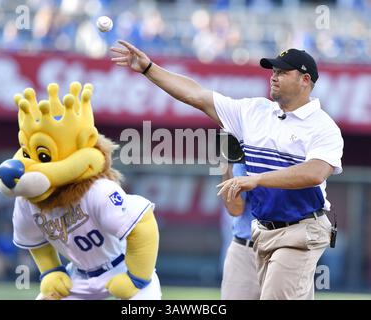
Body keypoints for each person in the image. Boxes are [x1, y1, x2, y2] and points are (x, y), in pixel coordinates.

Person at [110, 42, 344, 299]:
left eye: (282, 72)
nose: (274, 77)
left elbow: (315, 173)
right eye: (273, 71)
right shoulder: (254, 111)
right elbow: (196, 95)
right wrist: (149, 69)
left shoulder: (323, 126)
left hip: (301, 229)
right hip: (261, 232)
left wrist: (256, 180)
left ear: (305, 79)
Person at [0, 82, 161, 300]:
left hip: (123, 267)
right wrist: (51, 271)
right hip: (79, 277)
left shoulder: (98, 191)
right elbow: (35, 241)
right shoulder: (27, 200)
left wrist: (137, 277)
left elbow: (143, 226)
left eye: (44, 156)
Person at [219, 143, 260, 300]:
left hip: (283, 248)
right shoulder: (240, 156)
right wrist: (226, 163)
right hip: (245, 248)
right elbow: (235, 209)